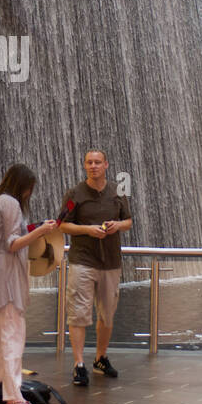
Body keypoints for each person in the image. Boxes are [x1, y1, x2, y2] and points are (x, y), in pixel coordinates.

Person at [0, 164, 59, 404]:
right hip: (8, 279)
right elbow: (13, 244)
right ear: (23, 186)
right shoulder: (12, 204)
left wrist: (33, 229)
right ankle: (14, 394)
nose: (29, 195)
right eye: (29, 190)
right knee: (13, 336)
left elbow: (9, 237)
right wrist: (43, 231)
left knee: (1, 336)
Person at [57, 149, 133, 386]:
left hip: (110, 262)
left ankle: (101, 359)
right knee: (79, 313)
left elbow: (129, 222)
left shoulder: (118, 192)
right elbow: (61, 224)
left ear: (106, 165)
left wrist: (117, 225)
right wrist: (87, 230)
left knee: (107, 313)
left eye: (97, 162)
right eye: (89, 162)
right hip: (83, 260)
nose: (93, 166)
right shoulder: (74, 194)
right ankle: (79, 364)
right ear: (84, 165)